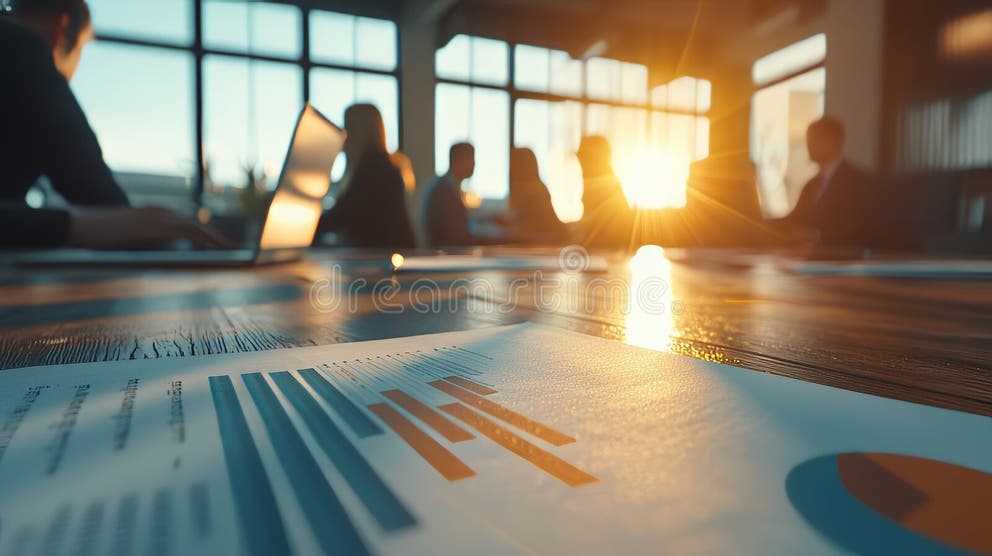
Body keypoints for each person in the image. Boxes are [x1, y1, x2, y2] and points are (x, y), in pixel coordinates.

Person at [0, 0, 225, 249]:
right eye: (83, 48)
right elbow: (103, 202)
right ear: (61, 29)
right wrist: (85, 225)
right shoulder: (27, 52)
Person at [315, 104, 415, 248]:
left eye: (348, 129)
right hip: (390, 255)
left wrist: (304, 226)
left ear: (359, 132)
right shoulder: (380, 166)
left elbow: (341, 215)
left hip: (385, 259)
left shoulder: (374, 170)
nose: (343, 137)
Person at [778, 116, 871, 246]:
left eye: (815, 139)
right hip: (807, 257)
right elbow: (795, 219)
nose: (809, 145)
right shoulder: (812, 184)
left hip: (840, 260)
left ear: (835, 141)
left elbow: (861, 227)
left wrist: (816, 235)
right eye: (808, 140)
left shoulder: (859, 182)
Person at [576, 136, 634, 250]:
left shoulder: (604, 187)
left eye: (583, 158)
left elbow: (596, 230)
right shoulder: (598, 184)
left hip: (608, 253)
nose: (580, 164)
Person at [424, 142, 484, 247]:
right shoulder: (442, 191)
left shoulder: (447, 187)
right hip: (446, 256)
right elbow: (458, 235)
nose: (474, 164)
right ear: (458, 160)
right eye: (471, 159)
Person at [506, 148, 567, 244]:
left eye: (516, 164)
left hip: (552, 241)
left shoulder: (535, 191)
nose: (511, 168)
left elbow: (527, 226)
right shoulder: (527, 190)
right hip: (549, 240)